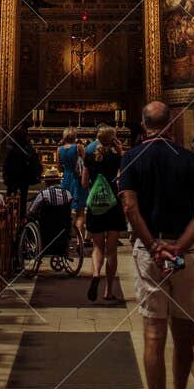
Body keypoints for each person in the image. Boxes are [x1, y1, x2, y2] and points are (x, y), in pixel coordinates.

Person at [118, 100, 194, 389]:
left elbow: (129, 207)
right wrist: (179, 248)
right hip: (188, 254)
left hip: (151, 253)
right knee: (184, 333)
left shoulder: (132, 157)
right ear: (170, 124)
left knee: (154, 336)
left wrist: (155, 246)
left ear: (142, 124)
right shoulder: (191, 159)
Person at [82, 125, 126, 304]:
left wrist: (95, 187)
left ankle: (95, 274)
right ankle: (108, 290)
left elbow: (84, 182)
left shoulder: (89, 156)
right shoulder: (116, 158)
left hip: (96, 206)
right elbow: (126, 175)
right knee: (112, 250)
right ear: (113, 140)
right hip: (113, 204)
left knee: (98, 248)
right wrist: (121, 151)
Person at [3, 123, 42, 221]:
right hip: (24, 179)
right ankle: (21, 219)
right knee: (23, 200)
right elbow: (34, 163)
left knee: (10, 199)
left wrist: (5, 177)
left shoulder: (11, 148)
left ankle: (10, 219)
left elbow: (6, 164)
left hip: (12, 179)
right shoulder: (28, 148)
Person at [57, 127, 87, 239]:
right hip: (78, 179)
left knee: (65, 210)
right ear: (75, 137)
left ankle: (65, 236)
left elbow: (59, 168)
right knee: (80, 212)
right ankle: (80, 241)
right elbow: (86, 163)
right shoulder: (78, 147)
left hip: (66, 180)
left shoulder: (59, 149)